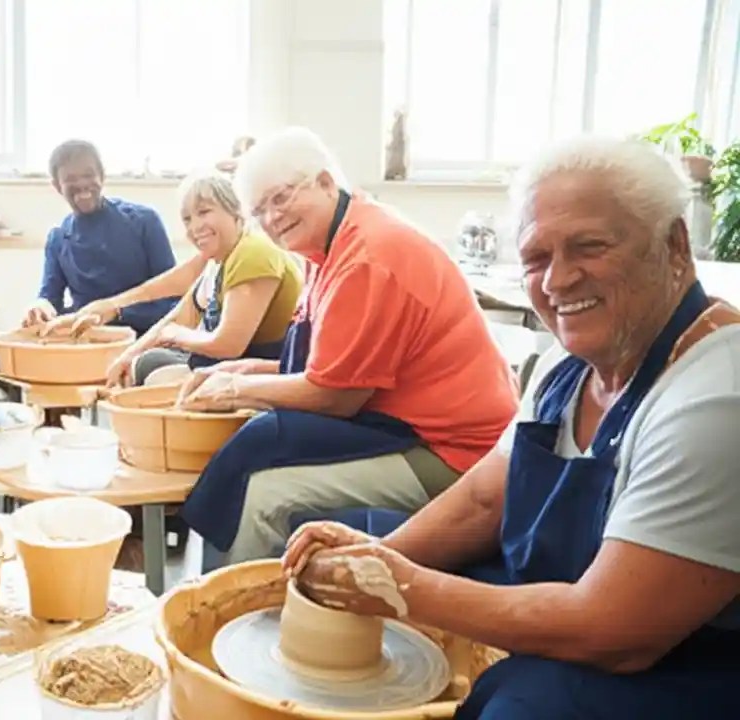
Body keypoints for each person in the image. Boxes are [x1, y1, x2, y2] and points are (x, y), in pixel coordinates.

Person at [282, 136, 740, 719]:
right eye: (537, 258)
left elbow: (615, 632)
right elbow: (480, 502)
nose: (558, 281)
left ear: (674, 244)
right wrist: (376, 558)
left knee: (519, 708)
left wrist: (399, 587)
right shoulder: (565, 365)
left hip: (682, 660)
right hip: (566, 589)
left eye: (589, 247)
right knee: (342, 535)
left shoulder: (717, 397)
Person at [177, 127, 518, 568]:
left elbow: (336, 395)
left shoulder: (368, 256)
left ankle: (231, 617)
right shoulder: (330, 245)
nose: (273, 218)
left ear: (324, 181)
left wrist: (234, 390)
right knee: (252, 441)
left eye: (281, 199)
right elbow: (332, 364)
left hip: (459, 451)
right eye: (260, 211)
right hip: (400, 418)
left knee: (261, 493)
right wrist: (245, 372)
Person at [103, 173, 302, 387]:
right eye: (187, 219)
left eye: (204, 212)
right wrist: (126, 357)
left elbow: (229, 344)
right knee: (145, 362)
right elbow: (179, 318)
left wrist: (176, 336)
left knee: (157, 377)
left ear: (235, 210)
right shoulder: (217, 261)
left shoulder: (253, 252)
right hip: (227, 363)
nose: (195, 227)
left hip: (269, 371)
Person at [20, 140, 177, 334]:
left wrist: (117, 312)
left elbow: (174, 297)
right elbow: (49, 298)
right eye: (70, 178)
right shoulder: (58, 239)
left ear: (102, 176)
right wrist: (40, 307)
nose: (81, 184)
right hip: (87, 341)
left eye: (88, 175)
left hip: (143, 337)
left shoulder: (144, 221)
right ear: (57, 186)